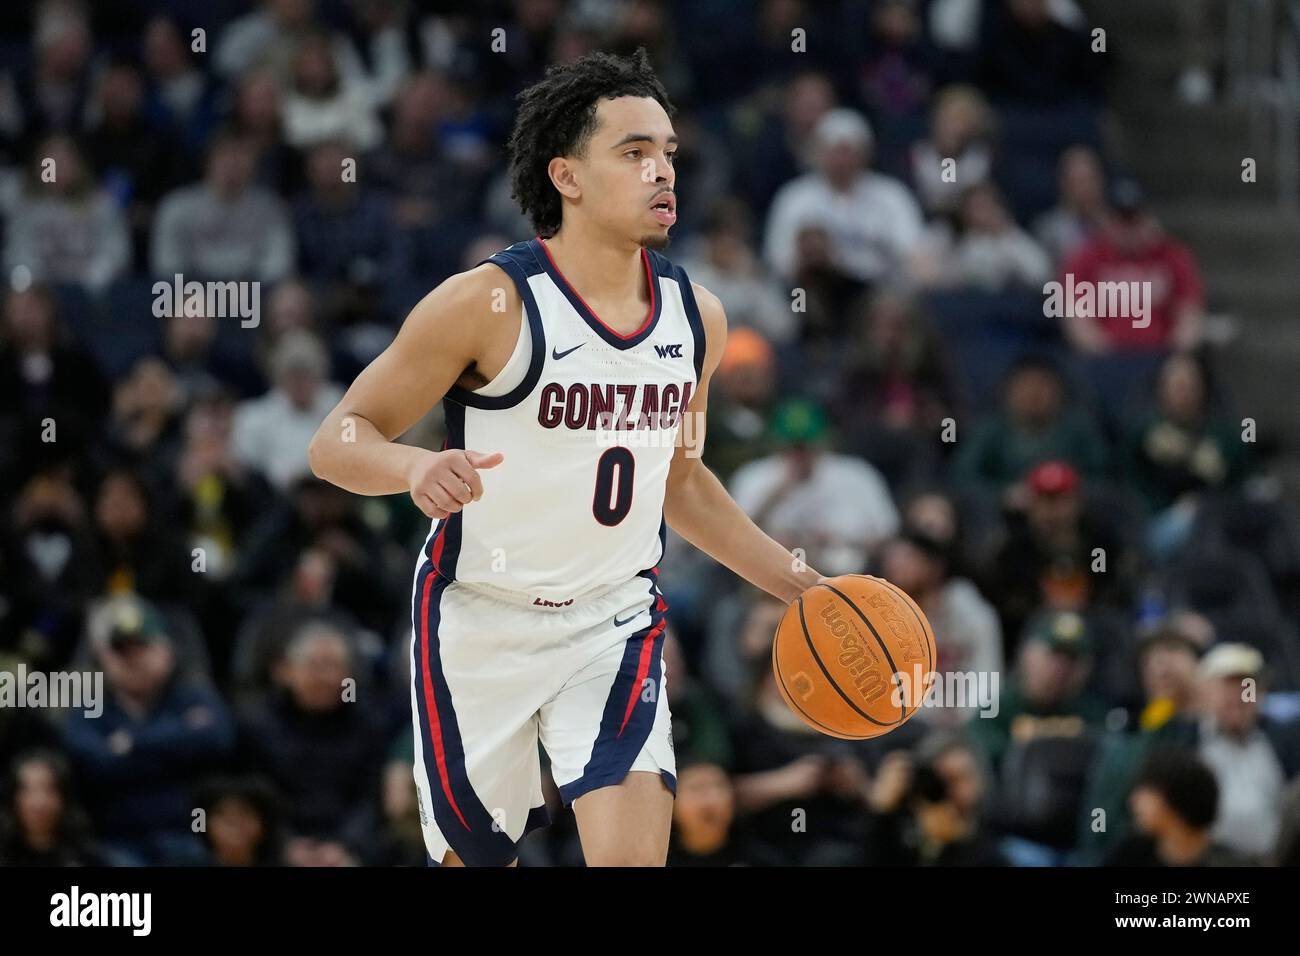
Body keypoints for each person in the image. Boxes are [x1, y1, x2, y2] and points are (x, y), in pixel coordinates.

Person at [308, 48, 835, 868]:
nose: (663, 172)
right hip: (478, 619)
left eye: (668, 153)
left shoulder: (698, 319)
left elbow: (681, 484)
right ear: (567, 176)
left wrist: (802, 587)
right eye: (634, 153)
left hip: (613, 622)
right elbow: (335, 440)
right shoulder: (487, 303)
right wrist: (410, 468)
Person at [1103, 748, 1254, 866]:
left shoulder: (1230, 862)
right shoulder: (1130, 853)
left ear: (1176, 797)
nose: (1134, 801)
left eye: (1146, 791)